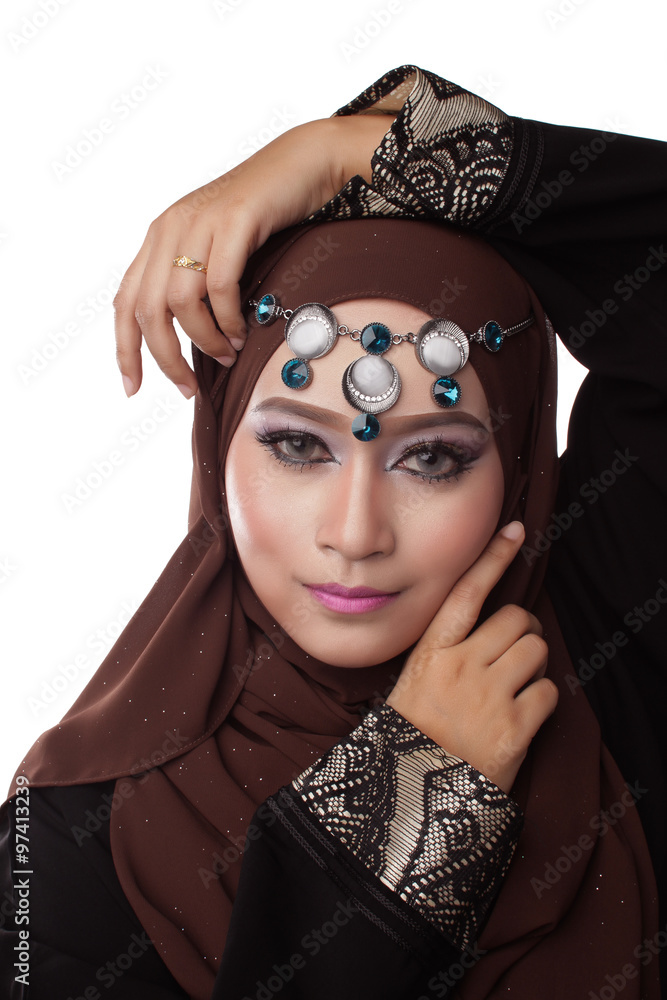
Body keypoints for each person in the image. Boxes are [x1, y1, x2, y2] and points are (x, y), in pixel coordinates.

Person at [1, 65, 665, 1000]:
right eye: (294, 447)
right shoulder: (63, 841)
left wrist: (337, 153)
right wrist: (408, 802)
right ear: (215, 451)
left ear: (518, 467)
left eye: (432, 459)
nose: (354, 535)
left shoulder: (613, 656)